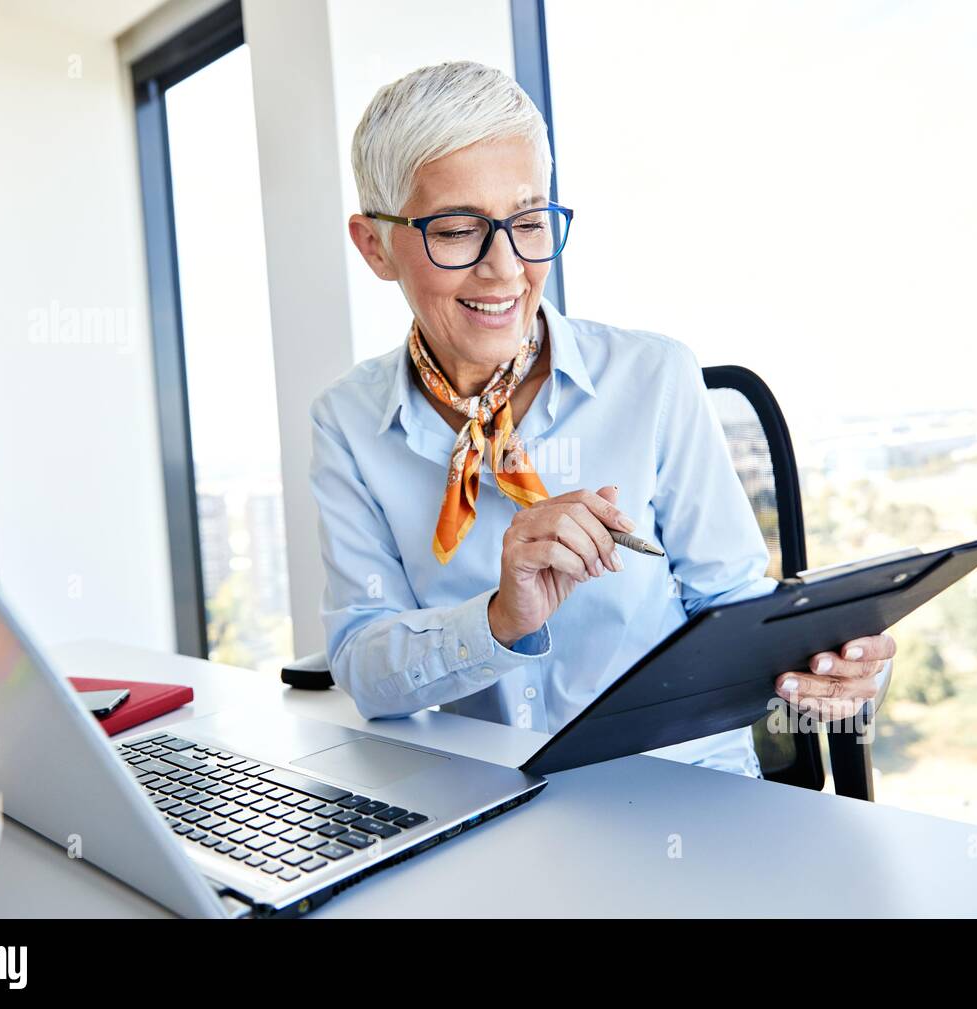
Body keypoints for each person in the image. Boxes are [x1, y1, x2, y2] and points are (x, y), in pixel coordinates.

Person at [309, 60, 894, 777]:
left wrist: (837, 672)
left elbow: (738, 612)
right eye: (458, 230)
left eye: (528, 222)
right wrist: (499, 620)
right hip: (488, 805)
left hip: (683, 797)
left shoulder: (655, 379)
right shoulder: (347, 423)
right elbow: (363, 668)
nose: (505, 269)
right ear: (375, 246)